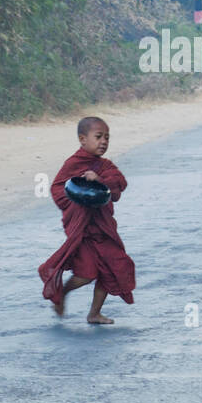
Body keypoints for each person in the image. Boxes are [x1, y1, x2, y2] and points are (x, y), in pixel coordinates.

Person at [38, 117, 136, 323]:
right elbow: (58, 188)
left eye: (107, 138)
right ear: (83, 139)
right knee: (87, 273)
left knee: (111, 269)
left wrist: (99, 179)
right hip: (83, 231)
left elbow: (120, 182)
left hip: (104, 229)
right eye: (98, 137)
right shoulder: (73, 164)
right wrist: (79, 196)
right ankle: (62, 292)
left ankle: (94, 313)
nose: (104, 142)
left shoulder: (105, 165)